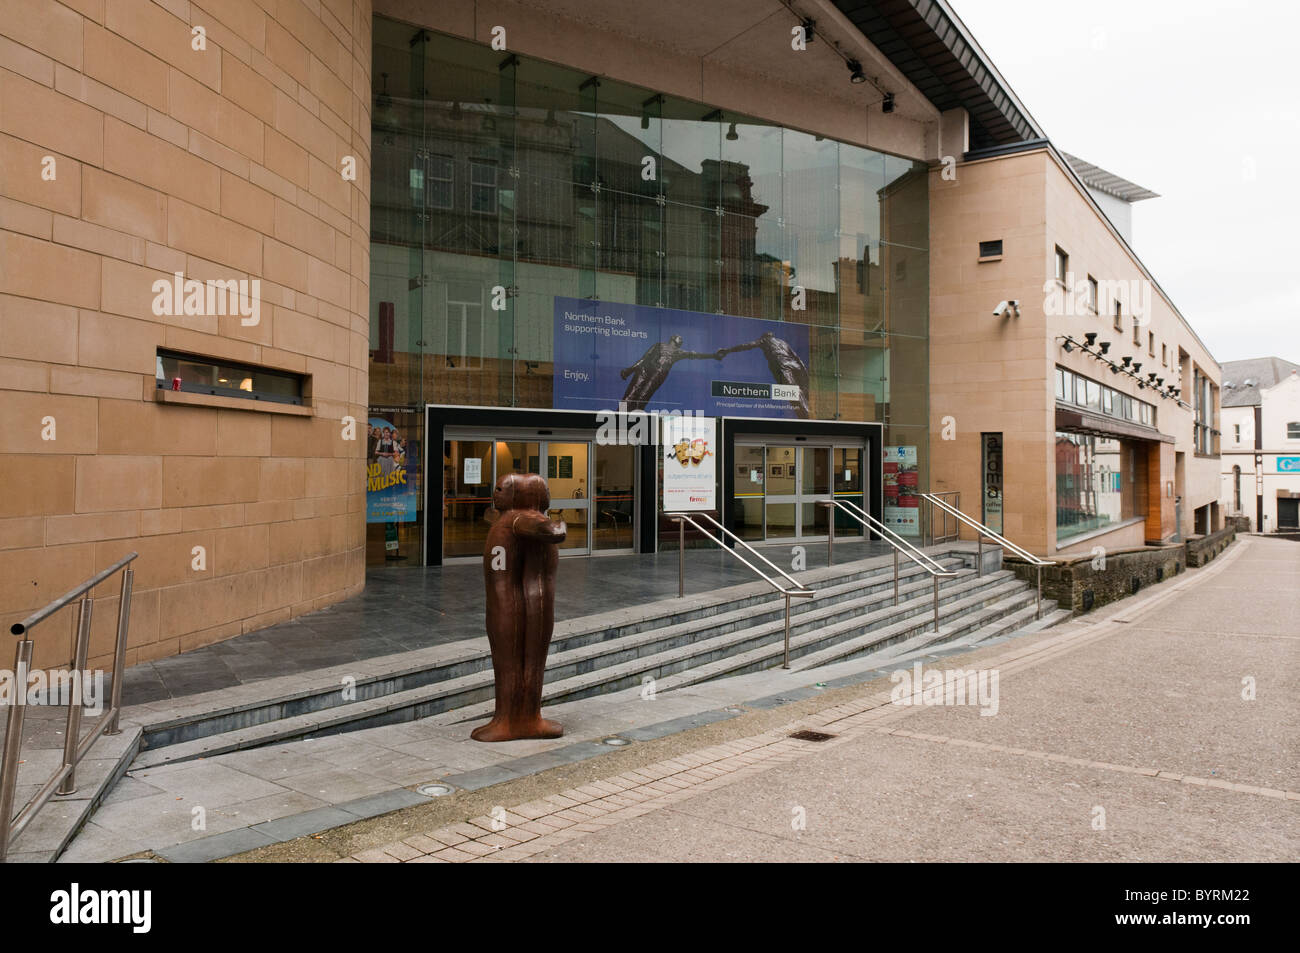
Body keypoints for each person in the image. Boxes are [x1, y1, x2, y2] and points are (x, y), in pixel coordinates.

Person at [716, 331, 811, 418]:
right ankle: (807, 414)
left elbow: (746, 345)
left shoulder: (765, 340)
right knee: (798, 392)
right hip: (795, 365)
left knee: (793, 393)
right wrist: (805, 376)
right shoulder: (782, 342)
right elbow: (798, 358)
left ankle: (807, 417)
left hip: (782, 366)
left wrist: (727, 350)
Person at [619, 334, 721, 410]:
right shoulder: (664, 347)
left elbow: (643, 359)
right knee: (635, 397)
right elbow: (644, 359)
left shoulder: (677, 351)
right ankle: (621, 421)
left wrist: (713, 355)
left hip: (655, 373)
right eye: (679, 340)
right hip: (651, 372)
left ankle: (628, 422)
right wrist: (629, 370)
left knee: (638, 397)